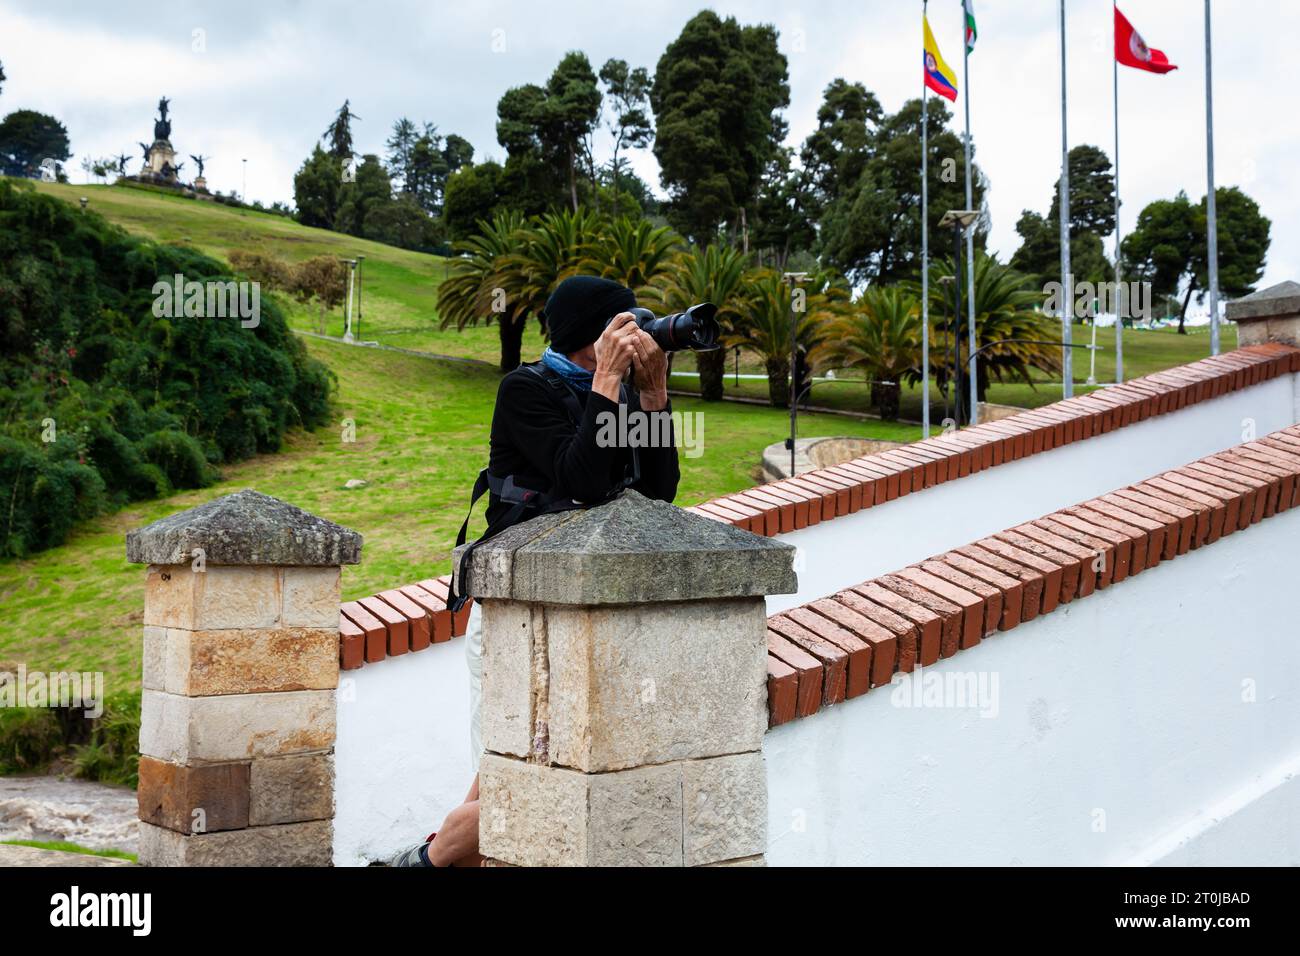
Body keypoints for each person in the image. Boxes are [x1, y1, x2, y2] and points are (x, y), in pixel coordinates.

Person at [391, 275, 680, 867]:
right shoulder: (525, 390)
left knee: (524, 777)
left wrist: (652, 398)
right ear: (591, 335)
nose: (637, 337)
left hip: (582, 622)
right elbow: (581, 481)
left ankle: (424, 859)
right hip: (513, 622)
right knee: (514, 789)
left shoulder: (620, 399)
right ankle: (426, 861)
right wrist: (607, 382)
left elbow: (659, 493)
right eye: (624, 324)